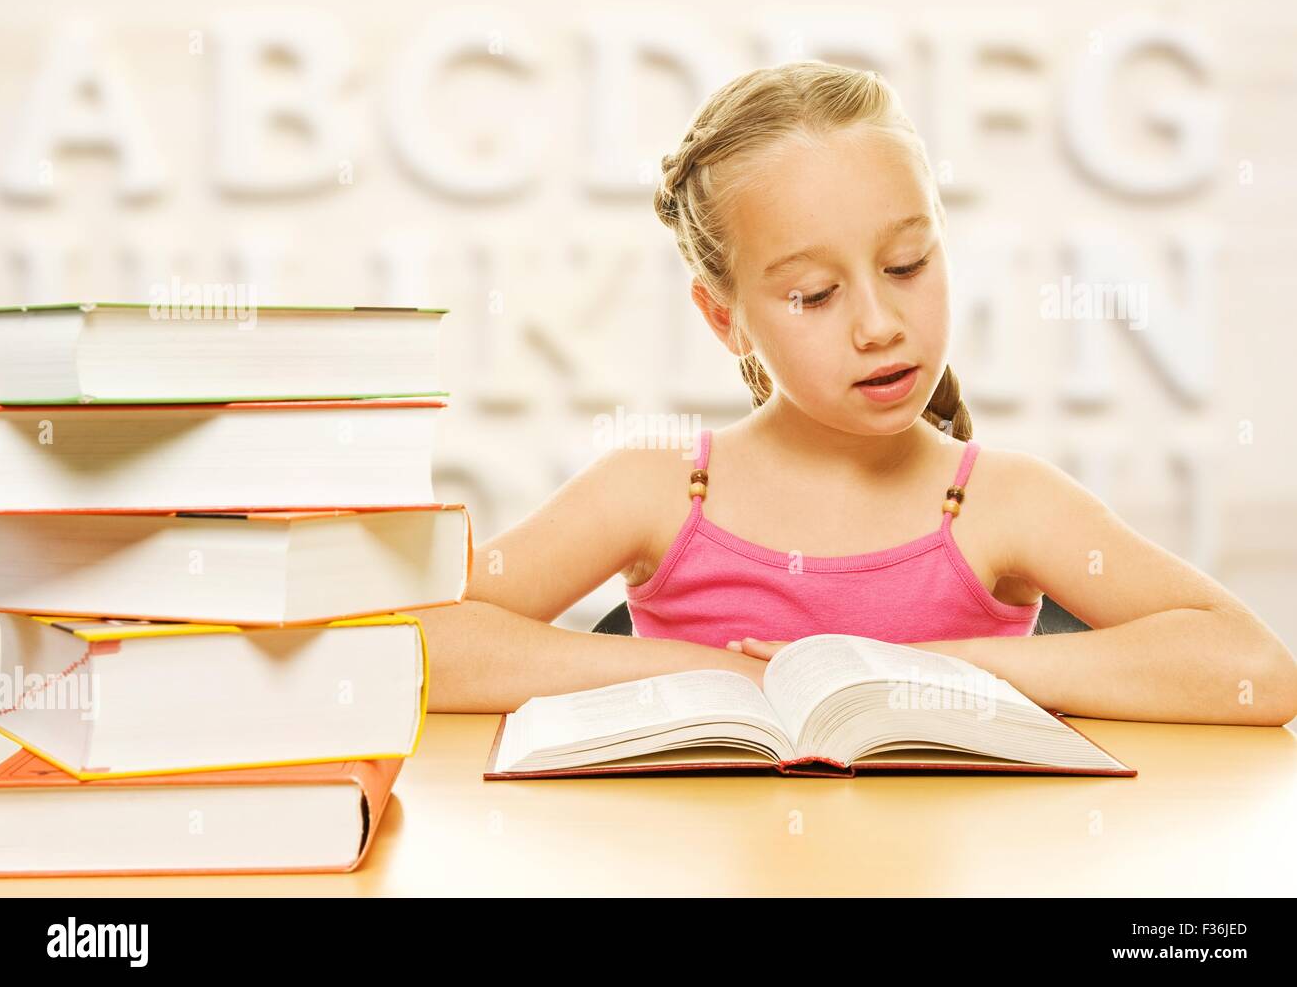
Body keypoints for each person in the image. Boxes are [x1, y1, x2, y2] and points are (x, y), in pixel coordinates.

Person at [419, 61, 1297, 726]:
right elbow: (425, 644)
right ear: (725, 319)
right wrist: (721, 676)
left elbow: (1252, 667)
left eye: (908, 265)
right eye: (814, 294)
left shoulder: (1004, 501)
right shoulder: (654, 491)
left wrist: (906, 671)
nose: (878, 324)